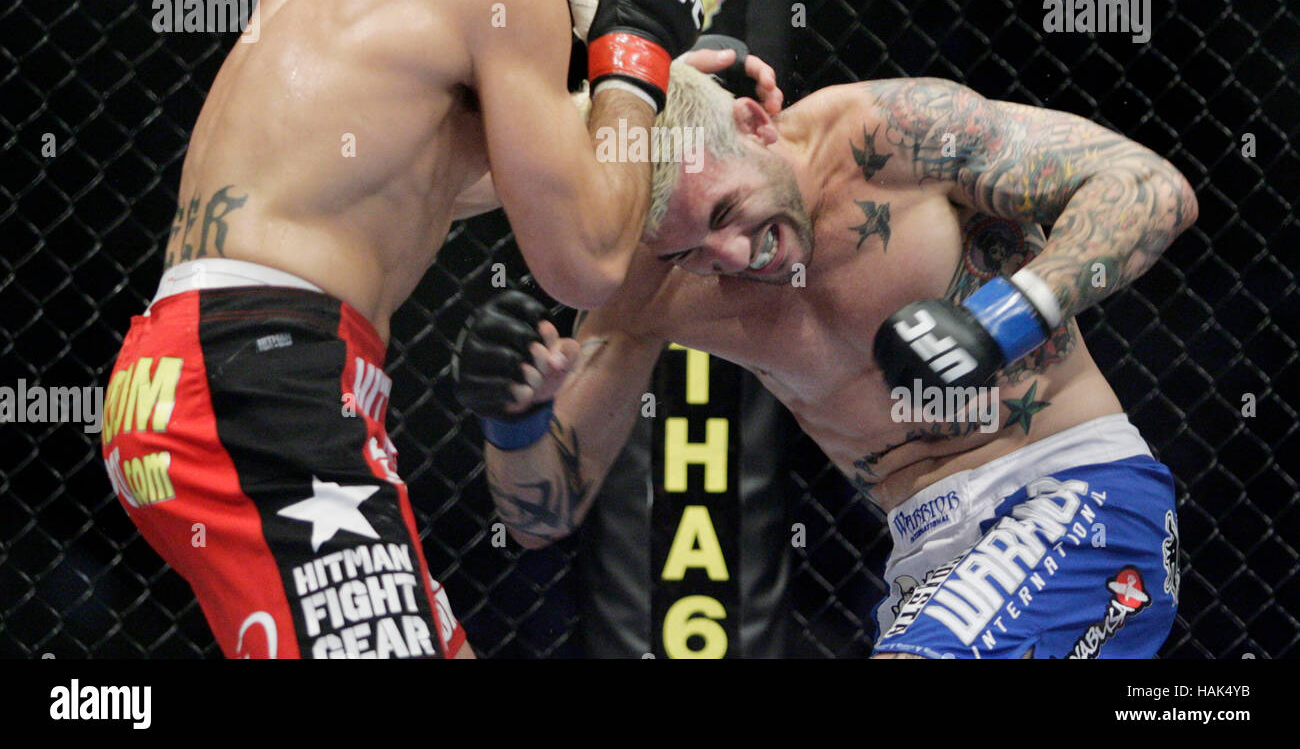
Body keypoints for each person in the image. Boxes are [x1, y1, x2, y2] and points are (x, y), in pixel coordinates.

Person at [100, 0, 715, 660]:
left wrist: (655, 99)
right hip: (265, 382)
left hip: (187, 375)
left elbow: (462, 180)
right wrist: (630, 50)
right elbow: (588, 259)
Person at [455, 60, 1199, 658]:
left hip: (1077, 500)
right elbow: (541, 510)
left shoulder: (889, 138)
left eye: (725, 212)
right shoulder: (645, 285)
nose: (735, 256)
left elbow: (1150, 189)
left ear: (754, 125)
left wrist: (997, 323)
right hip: (929, 564)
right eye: (688, 251)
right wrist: (513, 416)